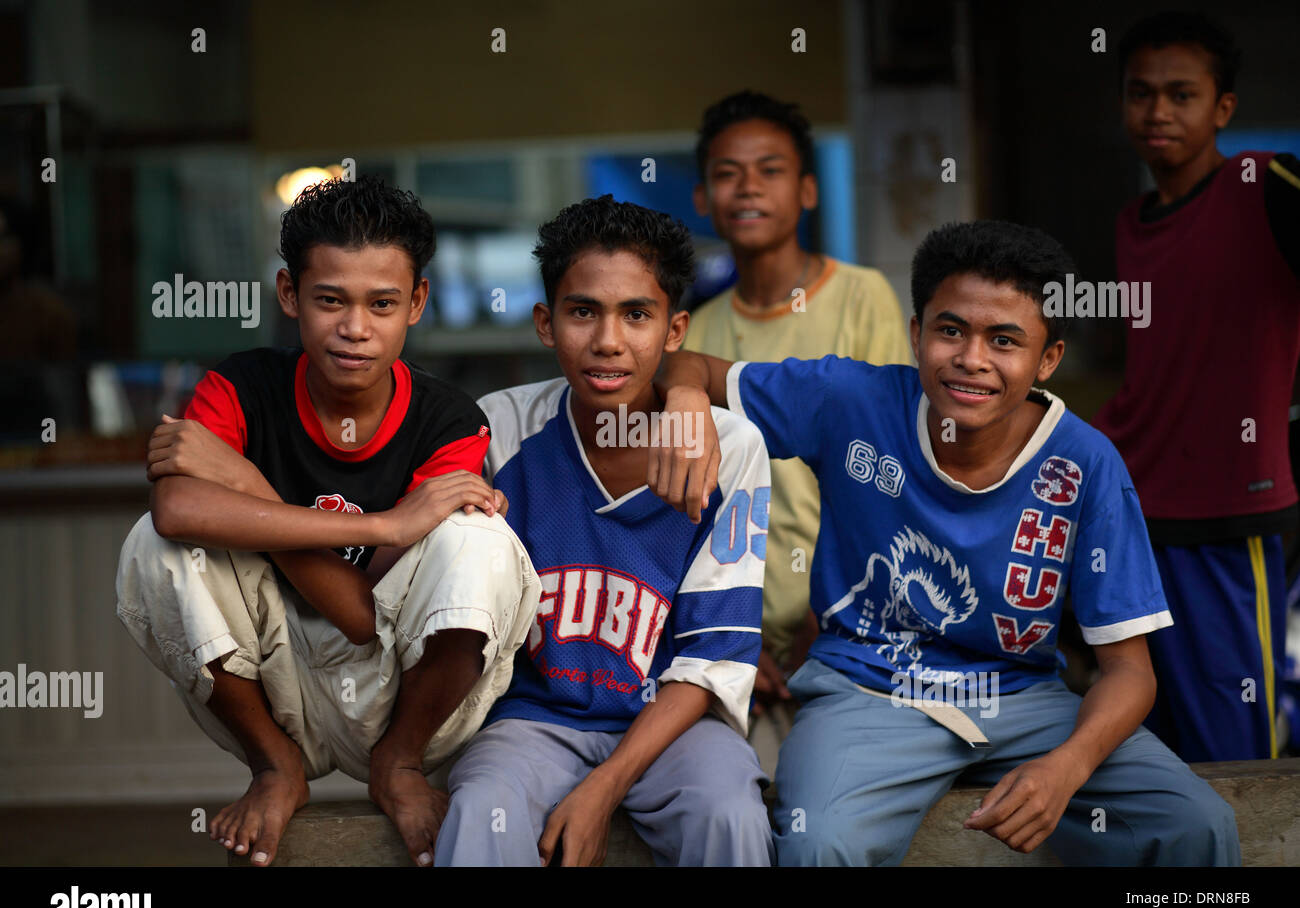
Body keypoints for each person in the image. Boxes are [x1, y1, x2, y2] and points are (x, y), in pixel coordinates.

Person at [655, 219, 1240, 865]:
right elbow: (688, 364)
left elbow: (1129, 671)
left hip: (1025, 701)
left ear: (1048, 360)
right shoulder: (850, 401)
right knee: (818, 842)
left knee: (1199, 825)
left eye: (1005, 340)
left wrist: (1066, 768)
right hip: (868, 692)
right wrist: (683, 395)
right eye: (951, 329)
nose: (972, 358)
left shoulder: (1085, 465)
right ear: (916, 332)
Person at [114, 176, 540, 867]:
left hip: (404, 689)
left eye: (382, 304)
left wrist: (245, 490)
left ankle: (397, 765)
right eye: (329, 300)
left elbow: (361, 618)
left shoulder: (449, 420)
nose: (355, 328)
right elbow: (175, 508)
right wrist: (385, 527)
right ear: (290, 295)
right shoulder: (242, 385)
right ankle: (274, 766)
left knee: (480, 540)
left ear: (417, 304)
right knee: (156, 544)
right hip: (276, 681)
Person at [435, 195, 774, 867]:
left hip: (675, 726)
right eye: (583, 311)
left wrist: (601, 790)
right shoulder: (498, 430)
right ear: (545, 322)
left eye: (637, 315)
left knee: (731, 814)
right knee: (480, 811)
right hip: (531, 720)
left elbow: (711, 660)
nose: (608, 340)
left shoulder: (729, 446)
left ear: (675, 330)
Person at [1093, 11, 1300, 761]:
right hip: (1131, 515)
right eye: (1140, 93)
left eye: (1181, 95)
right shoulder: (1131, 220)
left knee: (1242, 754)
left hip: (1228, 516)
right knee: (1151, 751)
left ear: (1223, 109)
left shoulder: (1262, 183)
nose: (1157, 112)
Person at [687, 91, 912, 714]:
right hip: (730, 632)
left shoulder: (861, 298)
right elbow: (688, 503)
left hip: (851, 621)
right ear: (703, 199)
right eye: (728, 174)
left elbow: (889, 465)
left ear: (808, 191)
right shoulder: (691, 333)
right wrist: (722, 632)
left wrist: (836, 607)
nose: (748, 188)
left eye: (771, 170)